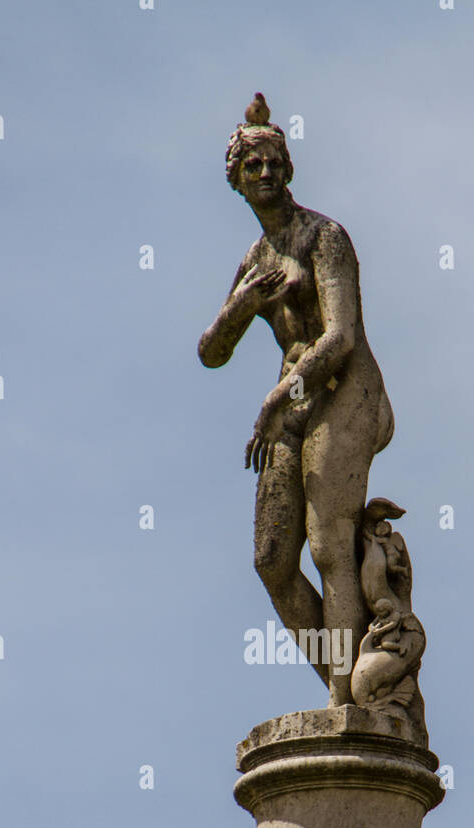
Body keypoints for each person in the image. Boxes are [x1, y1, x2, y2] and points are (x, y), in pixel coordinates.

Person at [198, 94, 394, 705]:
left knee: (327, 540)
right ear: (236, 180)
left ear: (288, 168)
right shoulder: (256, 261)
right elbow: (211, 350)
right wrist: (241, 306)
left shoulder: (324, 237)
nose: (263, 174)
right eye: (250, 166)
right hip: (294, 400)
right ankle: (345, 677)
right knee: (272, 559)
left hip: (345, 388)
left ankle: (345, 696)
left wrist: (274, 400)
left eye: (272, 162)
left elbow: (340, 336)